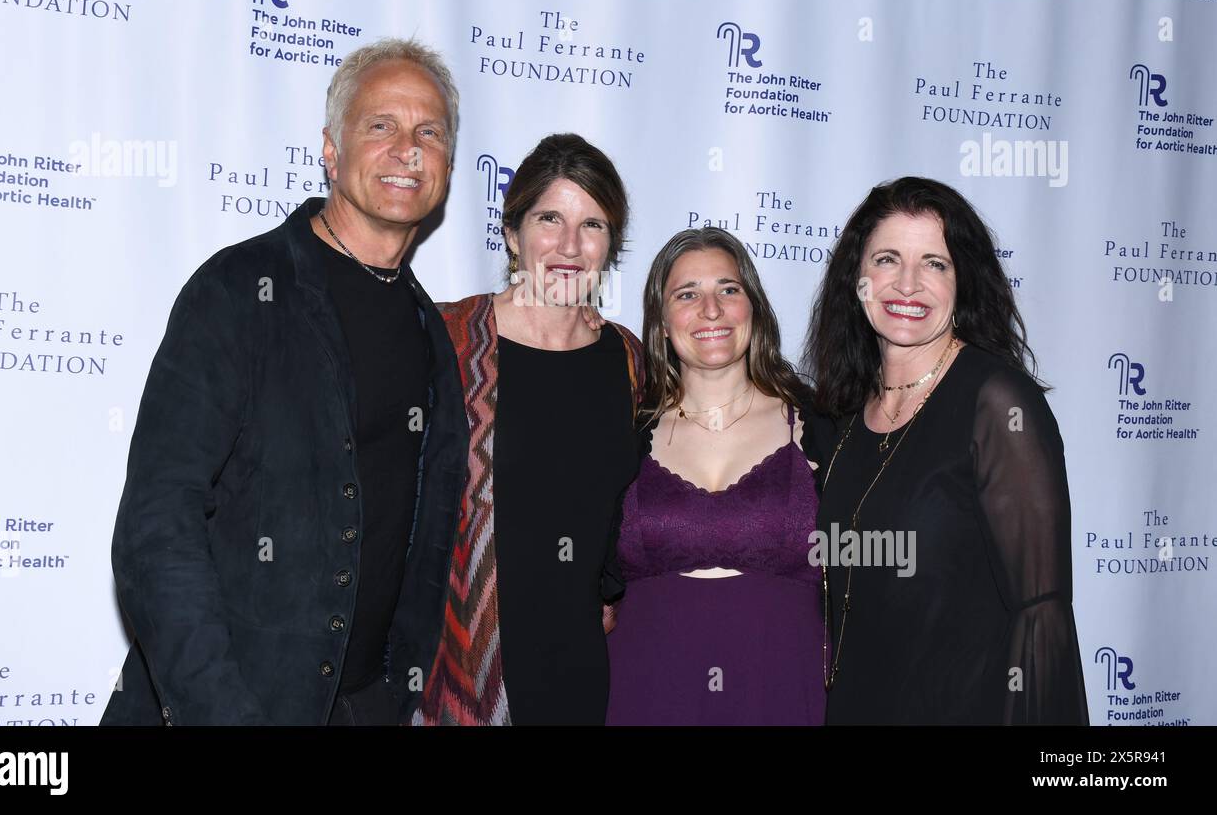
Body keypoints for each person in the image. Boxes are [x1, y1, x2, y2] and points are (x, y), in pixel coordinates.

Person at [102, 38, 469, 726]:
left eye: (430, 132)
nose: (408, 149)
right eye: (380, 126)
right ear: (331, 151)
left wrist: (394, 696)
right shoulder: (239, 291)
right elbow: (156, 528)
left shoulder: (430, 334)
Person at [802, 176, 1089, 724]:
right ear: (857, 279)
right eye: (887, 259)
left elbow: (1041, 616)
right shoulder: (842, 416)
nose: (907, 284)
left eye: (935, 263)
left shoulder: (998, 404)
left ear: (964, 284)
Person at [413, 133, 645, 725]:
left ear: (609, 244)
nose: (569, 245)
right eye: (550, 219)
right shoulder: (447, 340)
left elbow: (630, 504)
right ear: (513, 235)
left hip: (578, 666)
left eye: (592, 225)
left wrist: (607, 589)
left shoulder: (627, 360)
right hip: (456, 663)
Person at [604, 228, 825, 725]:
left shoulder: (822, 427)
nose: (711, 310)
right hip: (647, 695)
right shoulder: (624, 435)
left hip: (784, 691)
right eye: (687, 294)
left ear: (755, 308)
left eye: (728, 289)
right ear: (661, 322)